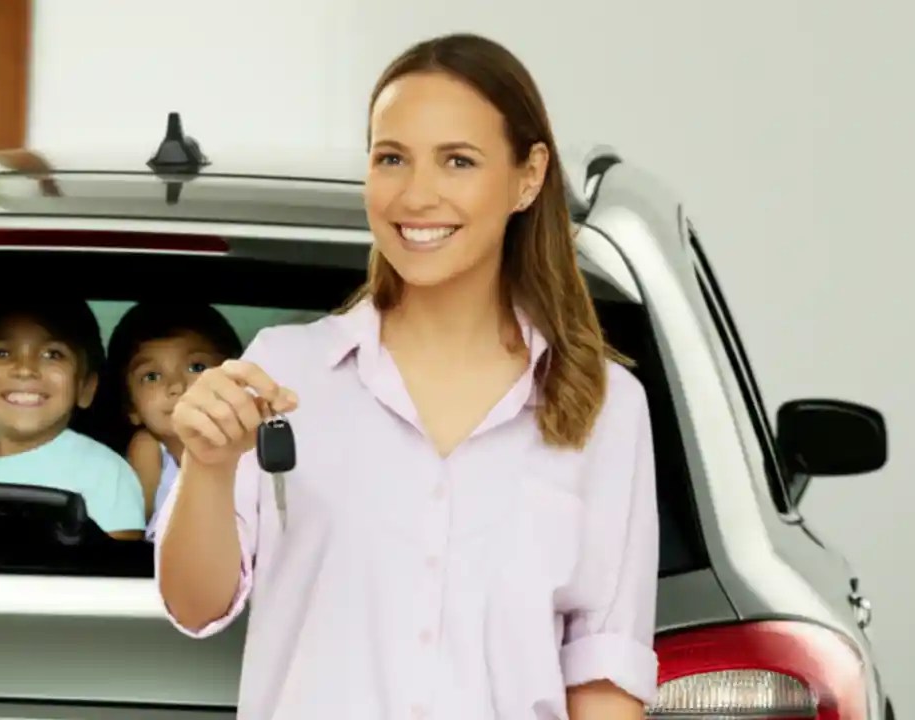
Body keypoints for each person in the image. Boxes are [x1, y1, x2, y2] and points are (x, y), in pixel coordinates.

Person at [156, 32, 659, 720]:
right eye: (391, 158)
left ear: (528, 176)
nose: (416, 195)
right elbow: (195, 605)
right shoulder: (280, 372)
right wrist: (209, 469)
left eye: (458, 160)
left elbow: (604, 676)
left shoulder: (608, 408)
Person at [0, 299, 146, 540]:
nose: (25, 369)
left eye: (53, 354)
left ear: (85, 388)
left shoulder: (105, 473)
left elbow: (118, 570)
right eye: (1, 353)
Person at [99, 301, 244, 539]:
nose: (176, 386)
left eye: (196, 367)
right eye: (152, 376)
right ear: (132, 408)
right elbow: (128, 538)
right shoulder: (150, 451)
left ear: (237, 381)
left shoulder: (254, 448)